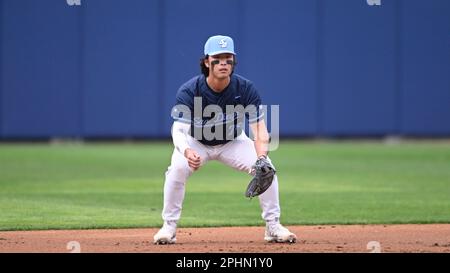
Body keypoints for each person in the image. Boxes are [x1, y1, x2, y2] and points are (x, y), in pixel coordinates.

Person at [153, 35, 297, 244]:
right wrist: (186, 151)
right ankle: (169, 227)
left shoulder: (244, 88)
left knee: (267, 171)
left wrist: (262, 157)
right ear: (206, 62)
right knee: (176, 170)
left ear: (233, 61)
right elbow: (179, 129)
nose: (223, 63)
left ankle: (273, 226)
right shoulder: (190, 90)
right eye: (217, 58)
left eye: (227, 58)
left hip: (233, 141)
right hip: (196, 143)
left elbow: (259, 128)